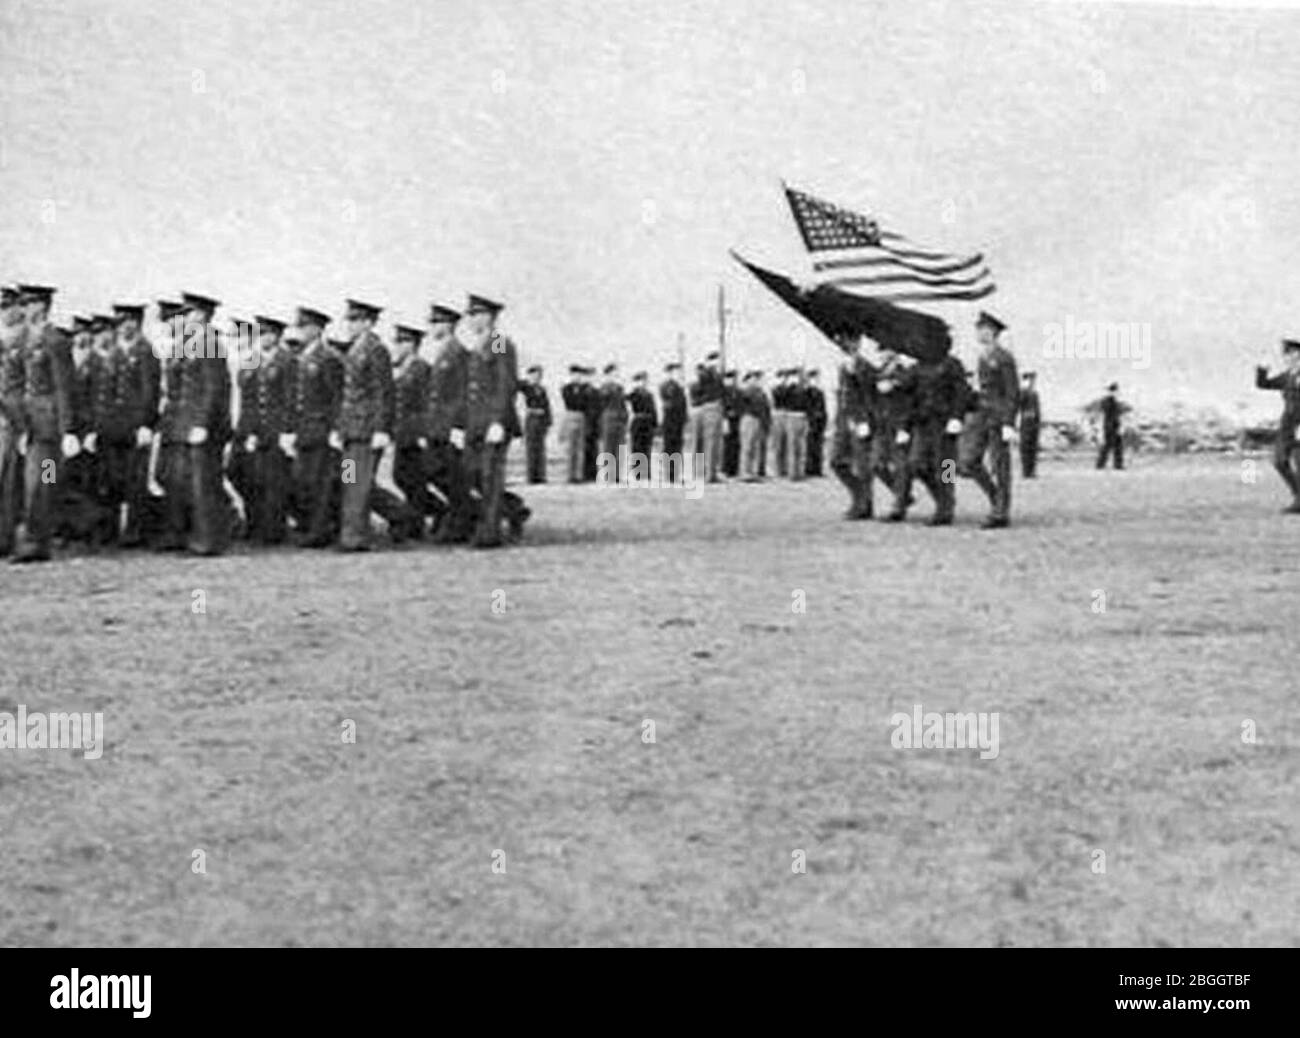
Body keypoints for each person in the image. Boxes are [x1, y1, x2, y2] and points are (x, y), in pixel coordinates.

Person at [8, 285, 76, 563]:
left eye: (30, 304)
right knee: (29, 484)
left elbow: (63, 387)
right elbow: (16, 383)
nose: (24, 309)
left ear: (42, 307)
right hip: (28, 424)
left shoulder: (54, 340)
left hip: (48, 428)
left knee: (42, 482)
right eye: (23, 304)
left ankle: (37, 542)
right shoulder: (23, 339)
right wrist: (20, 424)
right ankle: (34, 537)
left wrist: (67, 429)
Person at [172, 292, 232, 556]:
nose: (186, 318)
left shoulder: (208, 342)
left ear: (202, 315)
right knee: (193, 482)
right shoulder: (192, 342)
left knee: (203, 483)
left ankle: (209, 539)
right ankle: (200, 535)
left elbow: (213, 388)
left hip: (203, 427)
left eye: (190, 313)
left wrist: (202, 423)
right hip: (190, 424)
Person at [336, 299, 395, 551]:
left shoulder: (375, 349)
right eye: (349, 320)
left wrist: (382, 428)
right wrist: (341, 428)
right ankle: (351, 532)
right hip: (351, 430)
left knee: (359, 484)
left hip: (366, 430)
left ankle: (355, 536)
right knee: (349, 480)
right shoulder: (355, 349)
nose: (350, 325)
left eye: (356, 320)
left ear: (369, 323)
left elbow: (383, 391)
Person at [461, 293, 517, 548]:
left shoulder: (499, 343)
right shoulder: (478, 346)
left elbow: (505, 384)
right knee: (472, 474)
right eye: (470, 315)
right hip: (475, 422)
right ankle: (512, 510)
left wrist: (498, 421)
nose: (471, 320)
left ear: (489, 317)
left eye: (476, 315)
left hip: (493, 422)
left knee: (490, 477)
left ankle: (489, 532)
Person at [233, 316, 295, 544]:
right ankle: (254, 524)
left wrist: (287, 430)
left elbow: (290, 398)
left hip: (276, 429)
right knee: (250, 478)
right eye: (260, 334)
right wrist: (248, 430)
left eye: (267, 334)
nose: (263, 339)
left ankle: (273, 530)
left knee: (274, 482)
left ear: (277, 336)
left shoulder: (287, 360)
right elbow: (248, 396)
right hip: (255, 429)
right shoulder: (253, 359)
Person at [287, 306, 343, 548]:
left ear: (318, 330)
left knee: (322, 483)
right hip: (304, 429)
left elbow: (337, 397)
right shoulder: (303, 358)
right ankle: (314, 525)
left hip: (321, 429)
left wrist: (336, 429)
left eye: (305, 327)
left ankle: (320, 531)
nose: (300, 332)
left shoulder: (328, 358)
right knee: (303, 482)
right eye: (299, 327)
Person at [958, 311, 1020, 529]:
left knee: (1000, 465)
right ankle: (996, 498)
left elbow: (1012, 392)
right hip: (980, 416)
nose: (978, 333)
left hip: (997, 417)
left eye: (981, 329)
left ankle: (1001, 512)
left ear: (991, 332)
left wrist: (1009, 423)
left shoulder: (1003, 358)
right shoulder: (981, 356)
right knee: (967, 461)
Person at [830, 335, 876, 519]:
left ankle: (948, 503)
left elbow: (870, 394)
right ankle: (861, 500)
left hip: (945, 424)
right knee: (837, 461)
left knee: (946, 462)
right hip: (846, 420)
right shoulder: (845, 366)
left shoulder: (951, 366)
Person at [1255, 339, 1300, 513]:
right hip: (1287, 424)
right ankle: (1298, 495)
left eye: (1290, 354)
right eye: (1285, 355)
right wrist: (1262, 369)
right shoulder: (1288, 376)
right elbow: (1263, 384)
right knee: (1279, 461)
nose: (1287, 358)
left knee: (1298, 461)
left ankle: (1299, 503)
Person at [689, 351, 724, 482]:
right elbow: (700, 385)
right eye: (714, 360)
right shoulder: (706, 375)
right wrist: (707, 369)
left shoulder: (717, 375)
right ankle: (701, 473)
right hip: (709, 408)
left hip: (716, 407)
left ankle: (711, 473)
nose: (717, 363)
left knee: (713, 444)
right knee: (706, 442)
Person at [520, 364, 551, 483]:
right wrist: (527, 381)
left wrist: (548, 421)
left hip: (541, 419)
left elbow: (547, 406)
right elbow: (516, 384)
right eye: (534, 375)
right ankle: (531, 476)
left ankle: (540, 475)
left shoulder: (542, 389)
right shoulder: (526, 387)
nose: (537, 378)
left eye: (539, 375)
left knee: (541, 448)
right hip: (532, 418)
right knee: (531, 447)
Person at [598, 363, 627, 480]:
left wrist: (625, 417)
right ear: (608, 375)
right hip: (608, 418)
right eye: (613, 374)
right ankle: (608, 474)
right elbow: (601, 405)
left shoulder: (620, 388)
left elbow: (623, 405)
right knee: (608, 446)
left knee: (619, 447)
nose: (616, 376)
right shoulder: (604, 389)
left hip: (620, 419)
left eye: (617, 374)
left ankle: (617, 474)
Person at [659, 361, 687, 484]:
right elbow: (671, 400)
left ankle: (675, 474)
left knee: (677, 447)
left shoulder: (677, 386)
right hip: (670, 419)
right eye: (676, 372)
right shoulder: (667, 386)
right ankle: (669, 474)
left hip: (678, 420)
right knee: (669, 447)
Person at [559, 364, 587, 484]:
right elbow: (570, 400)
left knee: (580, 447)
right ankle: (570, 474)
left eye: (579, 375)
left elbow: (584, 403)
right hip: (571, 414)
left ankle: (578, 474)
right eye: (576, 375)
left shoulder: (584, 389)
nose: (578, 377)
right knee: (571, 447)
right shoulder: (567, 388)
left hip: (581, 415)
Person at [627, 370, 656, 467]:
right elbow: (630, 401)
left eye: (645, 380)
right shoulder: (634, 394)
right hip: (638, 422)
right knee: (637, 447)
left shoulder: (649, 395)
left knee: (647, 448)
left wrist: (654, 424)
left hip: (648, 422)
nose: (643, 383)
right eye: (640, 381)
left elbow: (653, 410)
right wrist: (634, 389)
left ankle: (646, 470)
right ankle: (637, 470)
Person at [1095, 382, 1127, 470]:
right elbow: (1108, 414)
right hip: (1110, 426)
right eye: (1115, 391)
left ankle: (1116, 464)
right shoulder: (1107, 401)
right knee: (1108, 445)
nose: (1117, 393)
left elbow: (1117, 414)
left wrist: (1119, 425)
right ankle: (1101, 464)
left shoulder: (1113, 401)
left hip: (1114, 425)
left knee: (1117, 446)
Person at [804, 369, 827, 477]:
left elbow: (823, 408)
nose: (817, 380)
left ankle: (817, 469)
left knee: (818, 446)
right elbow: (806, 408)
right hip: (810, 421)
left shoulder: (820, 392)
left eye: (817, 378)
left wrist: (824, 421)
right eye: (815, 378)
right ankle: (809, 469)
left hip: (819, 423)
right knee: (810, 446)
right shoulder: (806, 392)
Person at [1018, 371, 1041, 478]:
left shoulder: (1035, 394)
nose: (1032, 382)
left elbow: (1038, 411)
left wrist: (1038, 423)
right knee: (1026, 447)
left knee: (1033, 447)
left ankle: (1032, 470)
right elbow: (1019, 405)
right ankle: (1026, 471)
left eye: (1033, 380)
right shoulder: (1023, 393)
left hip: (1034, 423)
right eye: (1030, 380)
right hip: (1026, 422)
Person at [722, 369, 741, 478]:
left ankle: (734, 468)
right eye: (731, 378)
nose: (733, 380)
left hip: (737, 419)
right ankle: (727, 468)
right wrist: (724, 418)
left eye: (734, 378)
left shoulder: (737, 391)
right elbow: (723, 406)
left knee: (736, 444)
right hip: (728, 419)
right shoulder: (724, 392)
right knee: (727, 444)